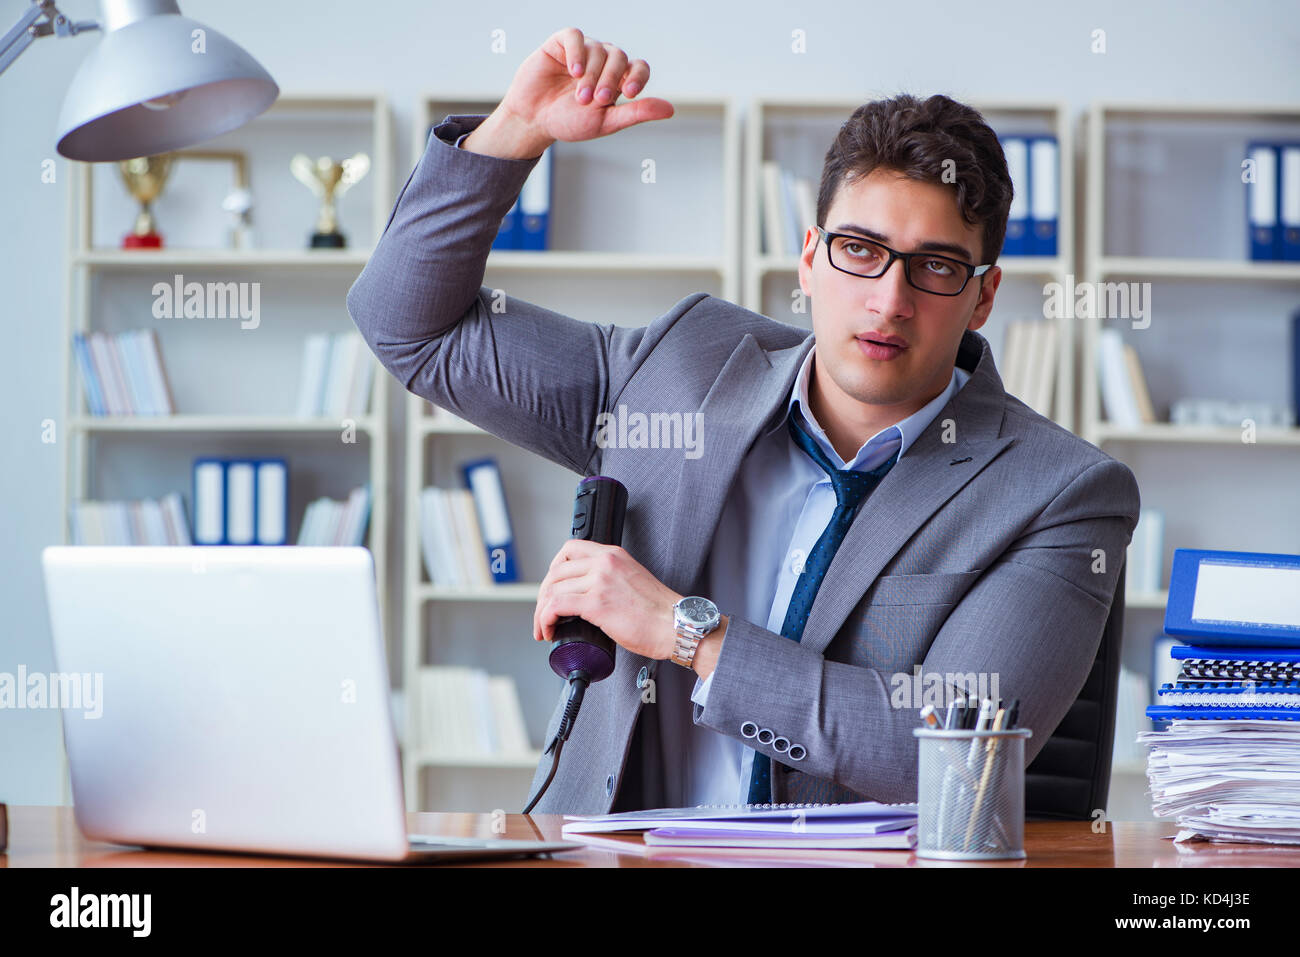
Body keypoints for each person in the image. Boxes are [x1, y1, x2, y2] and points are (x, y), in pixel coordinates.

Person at [346, 27, 1140, 814]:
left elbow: (952, 753)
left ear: (983, 297)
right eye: (859, 249)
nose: (888, 300)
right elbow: (411, 327)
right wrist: (514, 133)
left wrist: (687, 632)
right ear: (808, 256)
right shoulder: (684, 366)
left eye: (935, 266)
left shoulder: (1058, 491)